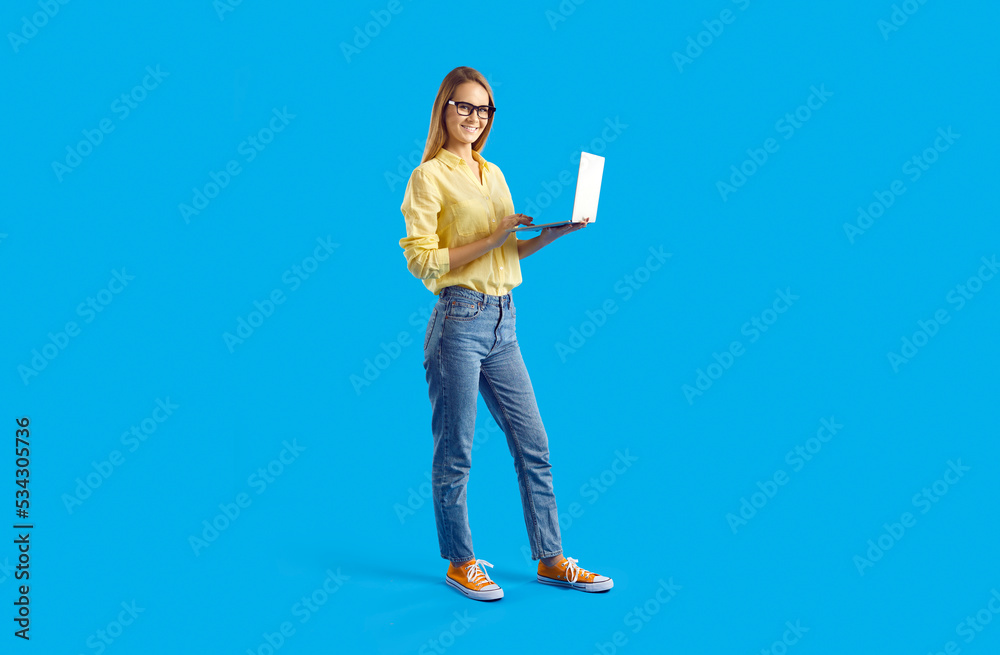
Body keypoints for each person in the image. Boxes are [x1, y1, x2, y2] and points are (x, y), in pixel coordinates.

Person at [398, 66, 612, 601]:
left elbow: (504, 251)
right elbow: (426, 263)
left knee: (533, 443)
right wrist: (494, 233)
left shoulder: (493, 174)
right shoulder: (428, 177)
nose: (475, 118)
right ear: (444, 108)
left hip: (504, 322)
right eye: (465, 106)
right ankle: (460, 561)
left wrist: (551, 236)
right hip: (459, 322)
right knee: (457, 450)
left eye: (484, 109)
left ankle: (550, 557)